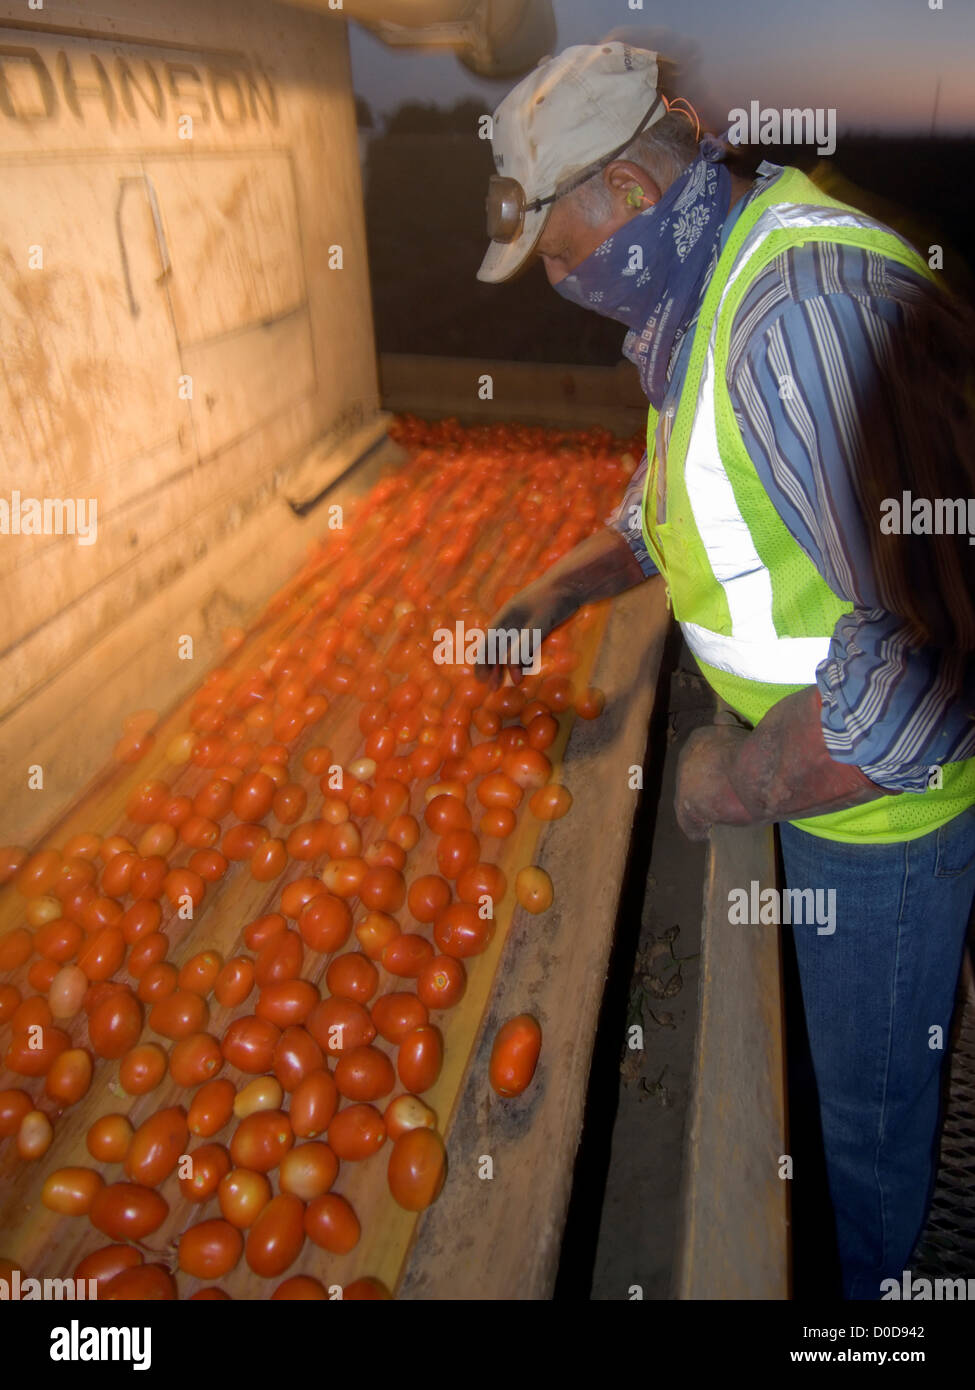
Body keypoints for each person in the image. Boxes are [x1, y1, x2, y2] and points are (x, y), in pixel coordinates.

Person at [473, 41, 975, 1299]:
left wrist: (730, 780)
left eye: (559, 251)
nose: (560, 281)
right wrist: (562, 583)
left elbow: (922, 669)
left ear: (631, 202)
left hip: (878, 814)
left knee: (862, 1125)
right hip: (825, 776)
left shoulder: (800, 312)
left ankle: (883, 1304)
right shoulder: (706, 292)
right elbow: (681, 496)